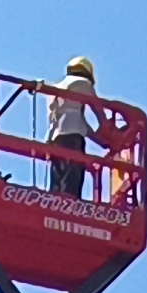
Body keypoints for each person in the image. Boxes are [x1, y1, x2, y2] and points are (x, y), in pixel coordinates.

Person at [46, 56, 97, 197]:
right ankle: (70, 204)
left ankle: (55, 203)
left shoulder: (56, 88)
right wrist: (108, 131)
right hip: (73, 138)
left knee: (57, 181)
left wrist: (100, 140)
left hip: (55, 140)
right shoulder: (83, 83)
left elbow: (80, 122)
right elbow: (98, 108)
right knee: (72, 179)